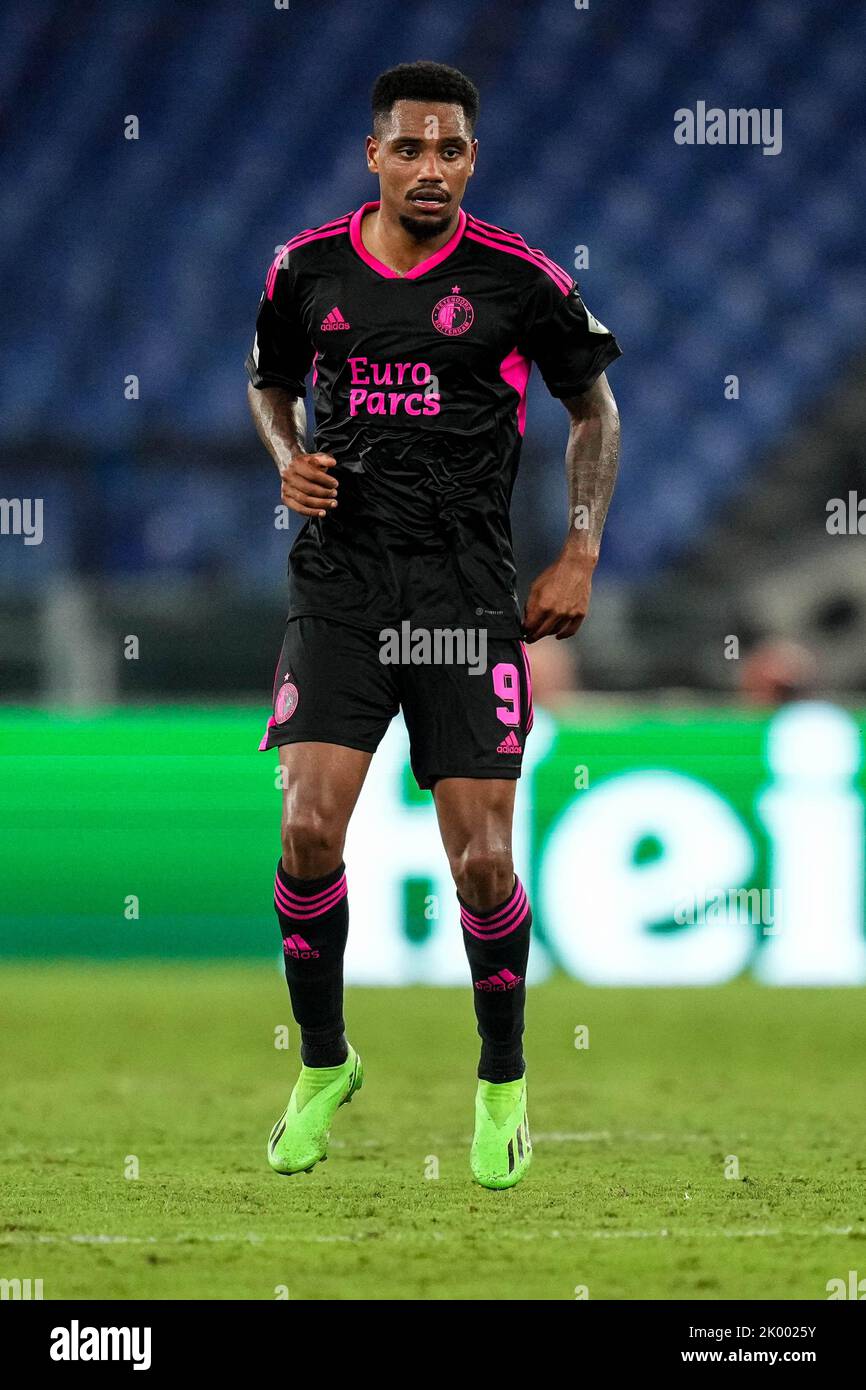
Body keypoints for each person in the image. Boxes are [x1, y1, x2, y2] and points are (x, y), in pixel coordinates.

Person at [246, 60, 621, 1189]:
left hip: (465, 595)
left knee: (483, 861)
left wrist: (581, 544)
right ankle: (323, 1064)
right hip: (342, 589)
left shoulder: (516, 278)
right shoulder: (304, 268)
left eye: (448, 149)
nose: (428, 168)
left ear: (470, 159)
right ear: (373, 154)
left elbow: (591, 406)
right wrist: (288, 459)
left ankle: (500, 1082)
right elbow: (268, 383)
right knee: (308, 833)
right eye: (407, 148)